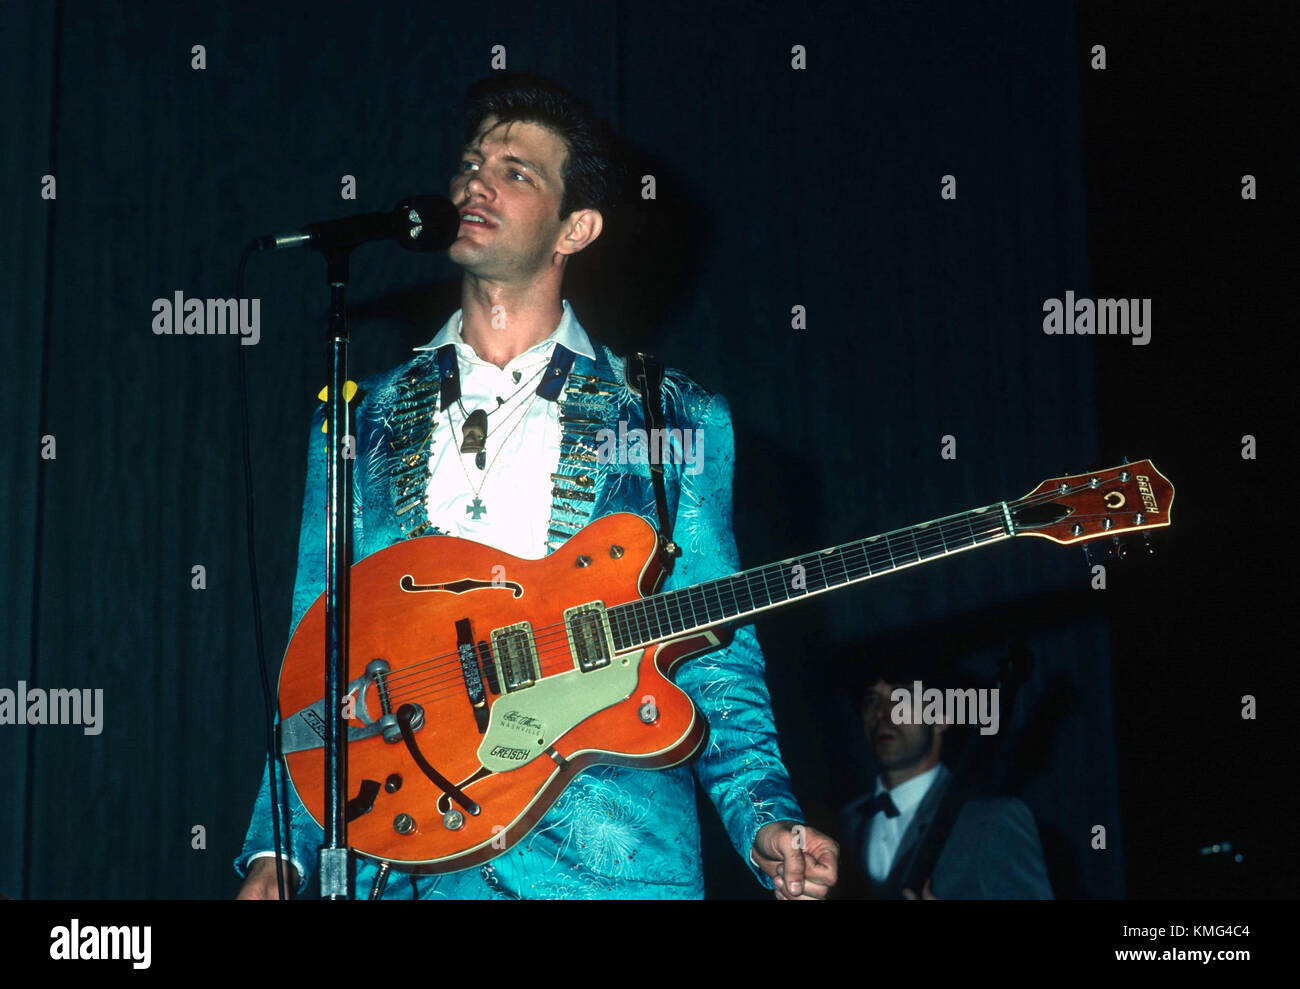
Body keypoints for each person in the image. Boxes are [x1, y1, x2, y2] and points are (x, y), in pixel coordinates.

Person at [234, 72, 838, 900]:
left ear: (575, 228)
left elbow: (718, 650)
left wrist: (766, 817)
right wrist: (279, 851)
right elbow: (317, 651)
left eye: (515, 172)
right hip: (405, 859)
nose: (475, 183)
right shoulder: (357, 421)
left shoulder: (670, 416)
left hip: (611, 862)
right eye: (471, 164)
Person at [838, 671, 1053, 899]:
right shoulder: (842, 824)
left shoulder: (992, 820)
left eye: (901, 698)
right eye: (872, 699)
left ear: (941, 717)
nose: (881, 712)